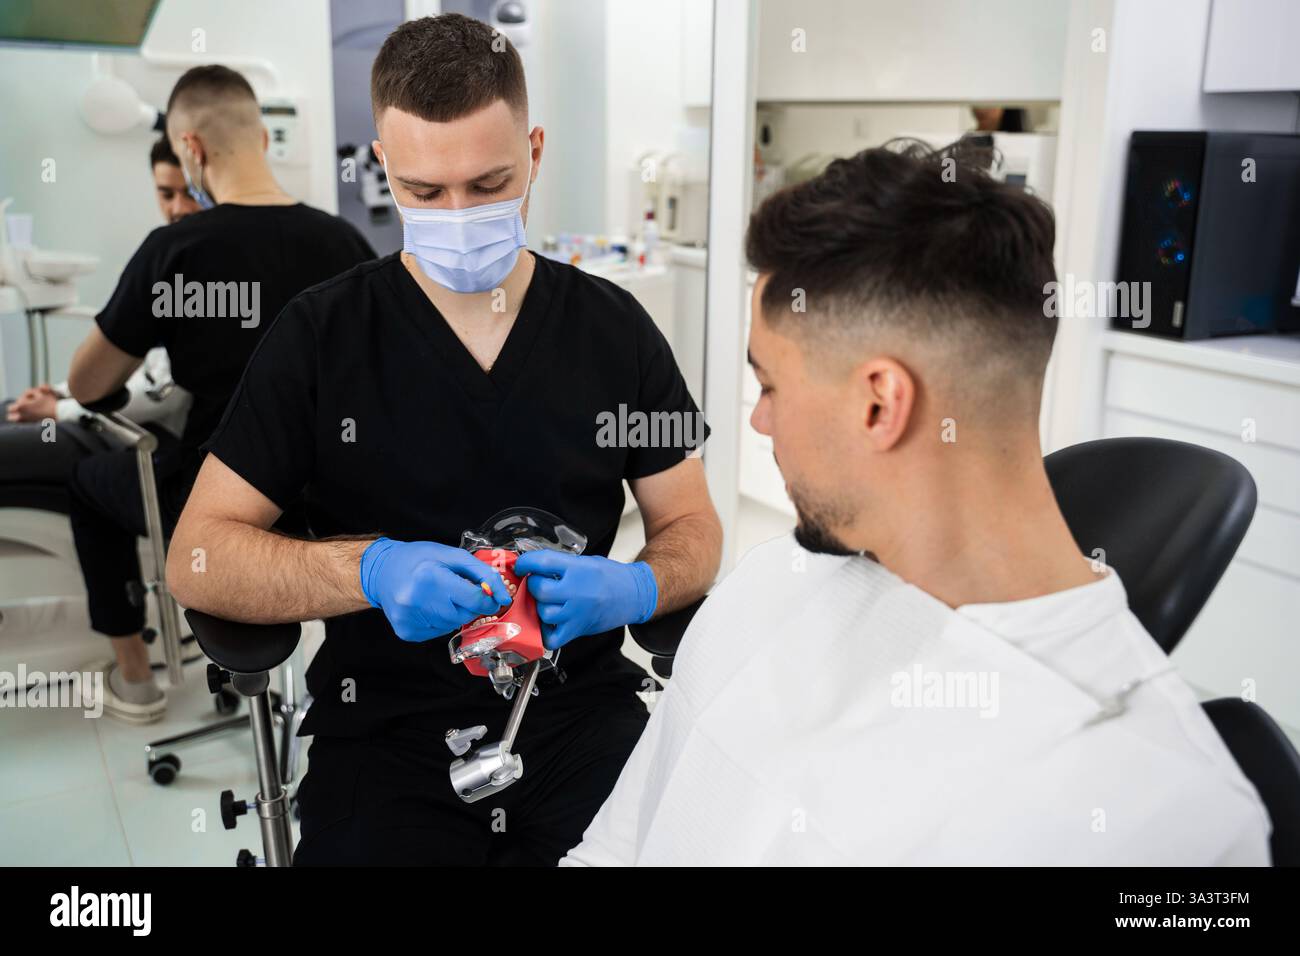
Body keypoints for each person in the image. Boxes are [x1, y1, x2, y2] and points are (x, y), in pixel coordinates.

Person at [561, 141, 1271, 866]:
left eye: (771, 387)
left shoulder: (1168, 817)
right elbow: (614, 851)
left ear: (879, 404)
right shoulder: (770, 585)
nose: (759, 421)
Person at [166, 14, 721, 866]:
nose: (458, 214)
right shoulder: (321, 337)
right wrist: (370, 570)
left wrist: (639, 588)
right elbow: (197, 557)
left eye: (489, 182)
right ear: (385, 166)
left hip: (579, 719)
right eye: (425, 192)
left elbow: (694, 526)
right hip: (384, 731)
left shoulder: (614, 331)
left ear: (534, 151)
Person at [66, 66, 375, 724]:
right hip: (337, 505)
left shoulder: (173, 249)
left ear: (190, 150)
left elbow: (87, 386)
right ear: (262, 139)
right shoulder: (347, 243)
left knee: (88, 482)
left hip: (221, 511)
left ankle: (135, 682)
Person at [1, 137, 195, 504]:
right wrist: (60, 391)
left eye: (190, 194)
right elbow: (143, 363)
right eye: (166, 194)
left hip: (135, 432)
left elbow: (163, 397)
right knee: (7, 409)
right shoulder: (167, 258)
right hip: (109, 414)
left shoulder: (205, 270)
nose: (178, 208)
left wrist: (57, 410)